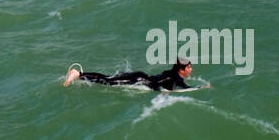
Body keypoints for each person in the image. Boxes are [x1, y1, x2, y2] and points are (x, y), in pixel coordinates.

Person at [64, 57, 204, 91]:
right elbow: (187, 88)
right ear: (182, 70)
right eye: (189, 67)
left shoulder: (172, 73)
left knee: (109, 78)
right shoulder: (176, 78)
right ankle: (78, 74)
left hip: (141, 76)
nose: (191, 69)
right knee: (109, 82)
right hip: (139, 80)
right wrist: (201, 88)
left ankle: (80, 74)